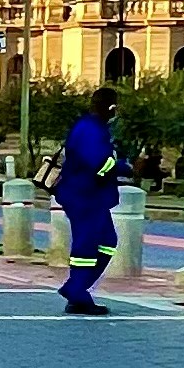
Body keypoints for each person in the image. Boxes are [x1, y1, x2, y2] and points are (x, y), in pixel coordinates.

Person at [52, 87, 124, 315]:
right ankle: (77, 291)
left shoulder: (90, 127)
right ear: (110, 107)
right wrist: (121, 165)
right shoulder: (91, 130)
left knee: (106, 241)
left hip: (90, 196)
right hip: (85, 196)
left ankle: (77, 288)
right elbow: (100, 163)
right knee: (87, 244)